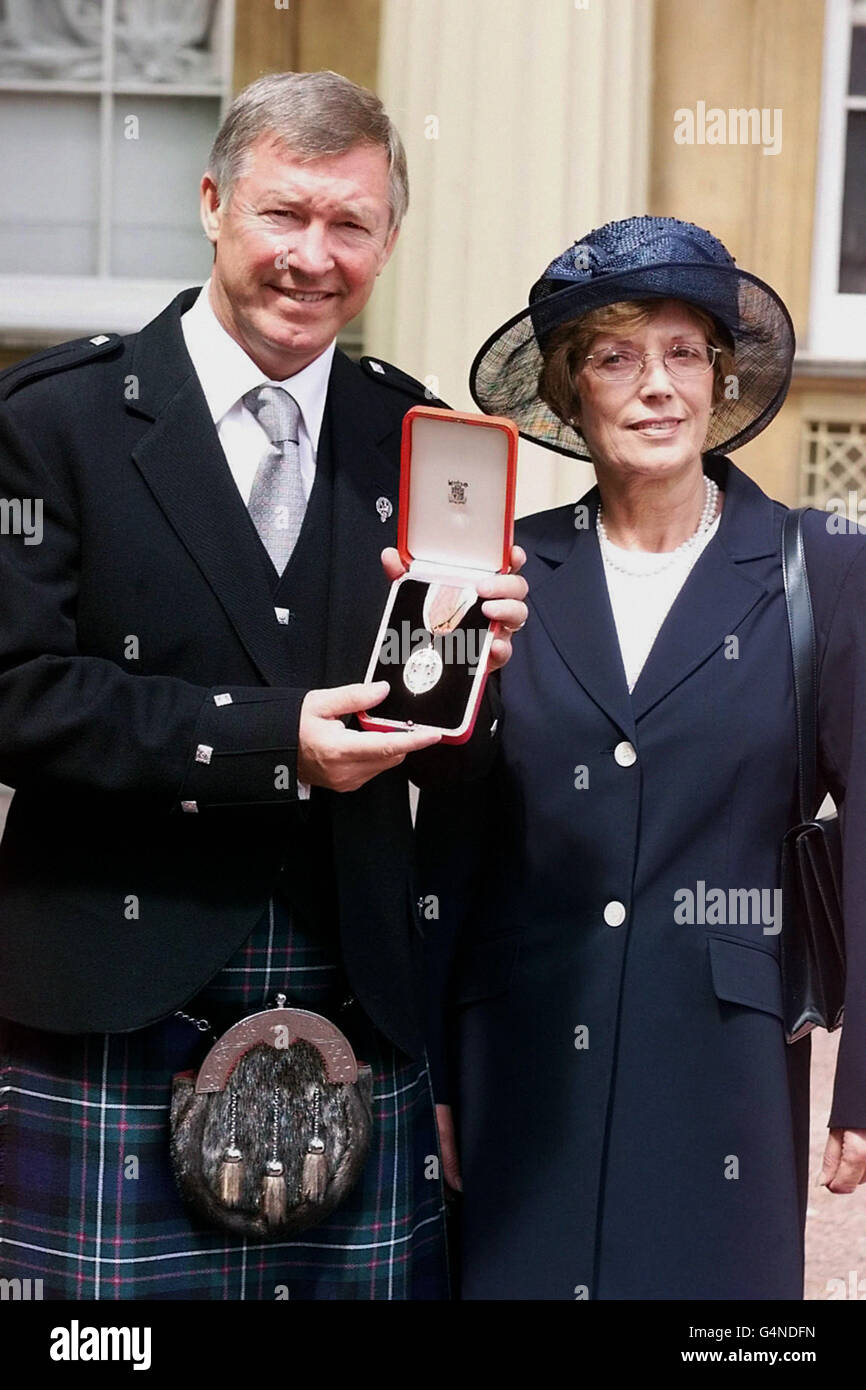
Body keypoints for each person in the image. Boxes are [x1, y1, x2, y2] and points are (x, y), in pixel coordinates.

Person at [0, 70, 527, 1301]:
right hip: (111, 1006)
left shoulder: (419, 441)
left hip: (360, 1004)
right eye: (284, 214)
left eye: (350, 224)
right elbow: (16, 691)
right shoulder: (55, 423)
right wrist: (268, 744)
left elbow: (446, 747)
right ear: (212, 204)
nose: (314, 256)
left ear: (388, 239)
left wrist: (475, 676)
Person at [419, 216, 866, 1301]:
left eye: (682, 353)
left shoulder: (818, 567)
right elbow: (446, 839)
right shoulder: (501, 570)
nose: (655, 385)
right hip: (518, 1069)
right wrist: (432, 1060)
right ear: (572, 393)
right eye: (615, 357)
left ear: (718, 381)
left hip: (723, 1070)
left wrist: (863, 1080)